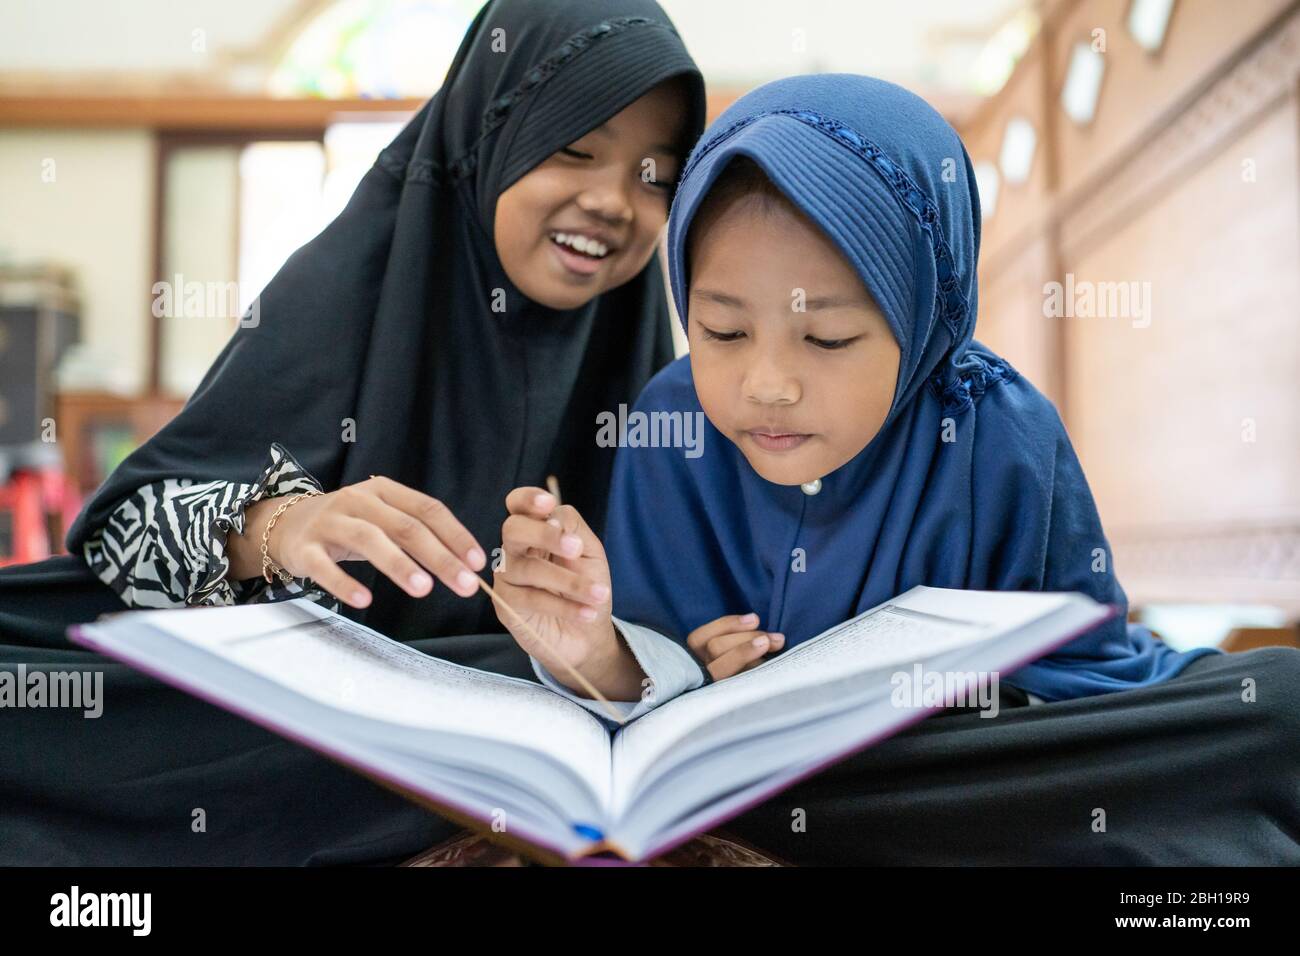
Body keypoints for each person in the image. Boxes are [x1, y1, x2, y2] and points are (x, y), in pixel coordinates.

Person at [490, 74, 1300, 864]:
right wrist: (667, 670)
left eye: (829, 339)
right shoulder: (670, 425)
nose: (766, 385)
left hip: (953, 770)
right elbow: (641, 708)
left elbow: (1082, 676)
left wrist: (946, 695)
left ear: (920, 321)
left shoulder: (999, 430)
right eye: (722, 333)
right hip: (754, 789)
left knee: (1278, 704)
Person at [0, 0, 706, 865]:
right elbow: (120, 532)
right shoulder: (353, 290)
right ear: (489, 139)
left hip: (494, 746)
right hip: (282, 725)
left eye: (655, 173)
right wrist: (280, 529)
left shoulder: (657, 381)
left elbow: (671, 638)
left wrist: (613, 650)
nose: (611, 201)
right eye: (574, 149)